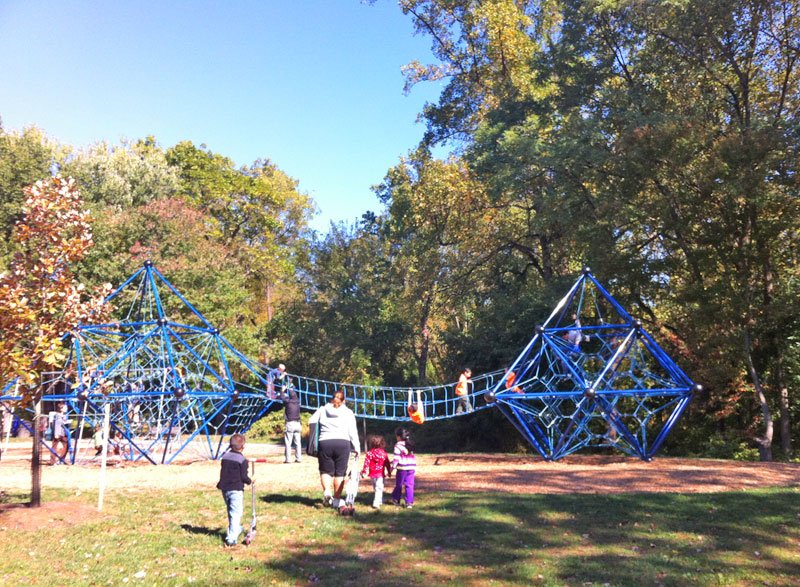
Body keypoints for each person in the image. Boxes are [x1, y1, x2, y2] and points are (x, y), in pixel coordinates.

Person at [307, 390, 360, 509]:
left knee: (325, 471)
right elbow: (353, 431)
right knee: (339, 473)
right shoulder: (348, 412)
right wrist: (357, 447)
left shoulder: (322, 409)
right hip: (343, 443)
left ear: (331, 399)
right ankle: (336, 500)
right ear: (344, 401)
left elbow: (311, 420)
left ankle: (327, 491)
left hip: (325, 442)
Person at [216, 433, 253, 547]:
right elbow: (244, 477)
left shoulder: (225, 457)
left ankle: (236, 529)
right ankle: (231, 539)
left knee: (231, 511)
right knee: (236, 513)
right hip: (236, 489)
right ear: (243, 446)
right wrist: (251, 481)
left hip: (224, 488)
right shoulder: (242, 460)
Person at [360, 435, 391, 509]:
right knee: (379, 488)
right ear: (382, 444)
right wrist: (389, 472)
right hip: (380, 474)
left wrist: (364, 472)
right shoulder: (383, 453)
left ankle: (381, 499)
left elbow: (366, 463)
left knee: (376, 488)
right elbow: (387, 463)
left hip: (372, 474)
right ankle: (376, 503)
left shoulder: (369, 453)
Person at [391, 427, 417, 509]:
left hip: (402, 468)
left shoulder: (397, 445)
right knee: (409, 485)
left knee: (399, 484)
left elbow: (397, 458)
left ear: (399, 437)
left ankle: (396, 499)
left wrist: (392, 468)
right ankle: (409, 503)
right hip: (411, 467)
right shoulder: (410, 444)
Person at [278, 377, 302, 463]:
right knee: (298, 443)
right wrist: (291, 388)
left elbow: (282, 397)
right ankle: (299, 458)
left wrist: (283, 390)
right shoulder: (298, 401)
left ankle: (288, 459)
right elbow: (293, 395)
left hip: (290, 424)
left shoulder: (288, 402)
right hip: (298, 424)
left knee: (288, 443)